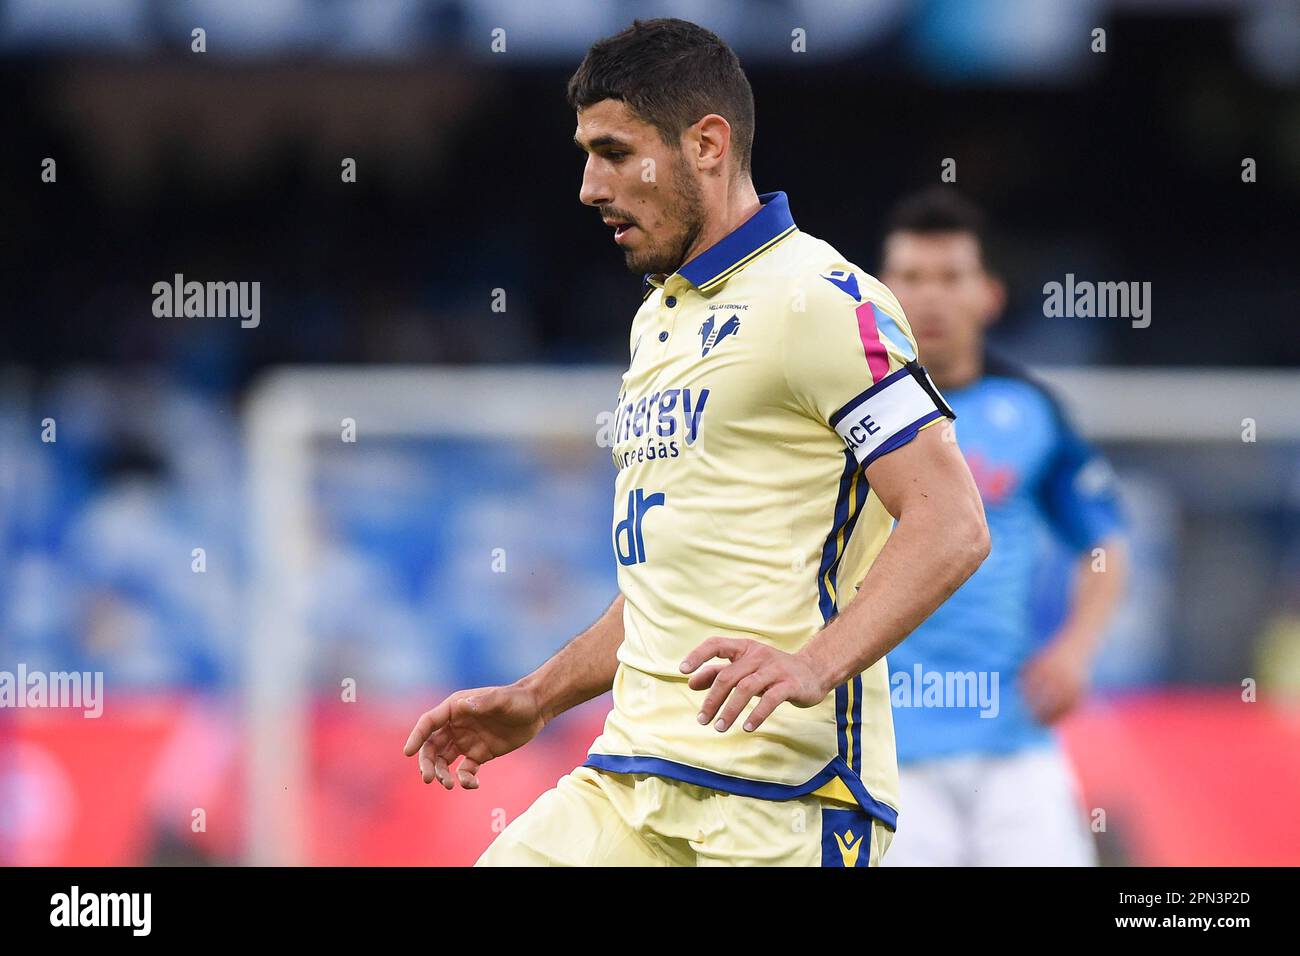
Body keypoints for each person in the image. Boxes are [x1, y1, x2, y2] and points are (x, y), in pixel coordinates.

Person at [404, 19, 989, 867]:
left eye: (613, 152)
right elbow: (669, 591)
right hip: (629, 785)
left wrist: (816, 664)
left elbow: (951, 519)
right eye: (584, 154)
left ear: (708, 143)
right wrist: (536, 698)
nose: (588, 186)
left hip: (781, 805)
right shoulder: (660, 319)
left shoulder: (817, 301)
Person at [877, 187, 1128, 866]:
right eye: (911, 278)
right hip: (885, 749)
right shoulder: (840, 417)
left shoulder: (1033, 410)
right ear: (881, 292)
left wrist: (1076, 650)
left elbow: (1103, 542)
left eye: (951, 277)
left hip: (1014, 743)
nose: (930, 298)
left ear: (987, 294)